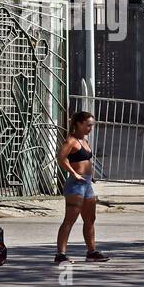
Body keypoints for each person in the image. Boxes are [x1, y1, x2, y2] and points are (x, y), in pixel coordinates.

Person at [55, 111, 109, 265]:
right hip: (75, 185)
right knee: (70, 219)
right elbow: (61, 157)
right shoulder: (71, 140)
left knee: (90, 219)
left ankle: (91, 252)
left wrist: (90, 176)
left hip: (87, 184)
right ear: (79, 124)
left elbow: (86, 161)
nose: (90, 128)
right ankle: (60, 254)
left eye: (92, 125)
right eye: (88, 125)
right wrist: (74, 173)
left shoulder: (84, 141)